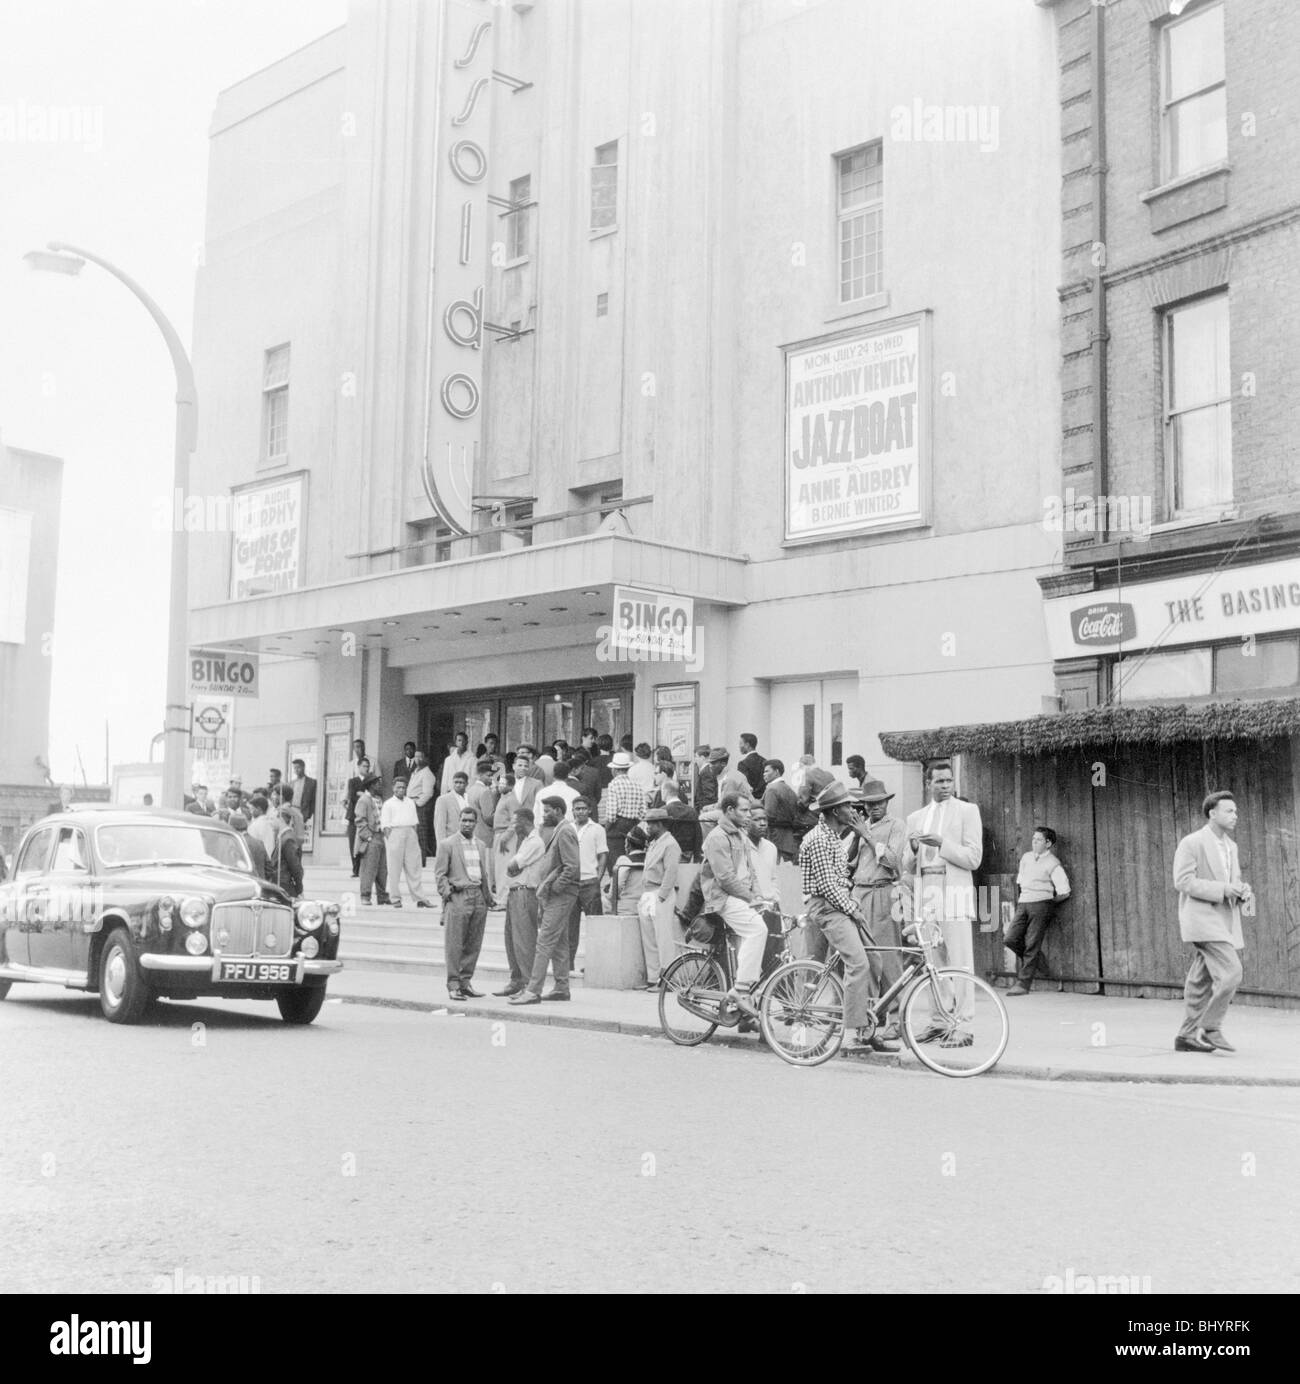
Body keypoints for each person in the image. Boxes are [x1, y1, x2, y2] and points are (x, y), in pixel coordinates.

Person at [801, 781, 891, 1051]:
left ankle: (867, 1026)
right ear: (834, 811)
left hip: (842, 904)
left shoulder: (834, 837)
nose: (853, 809)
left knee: (874, 960)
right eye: (847, 806)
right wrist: (852, 908)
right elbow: (828, 886)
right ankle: (854, 1032)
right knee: (858, 964)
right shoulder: (818, 839)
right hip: (828, 908)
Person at [904, 761, 983, 1042]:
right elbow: (907, 863)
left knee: (960, 960)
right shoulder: (916, 817)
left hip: (954, 891)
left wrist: (942, 844)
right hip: (927, 891)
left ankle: (964, 1025)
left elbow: (974, 858)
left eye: (949, 781)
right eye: (939, 781)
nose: (946, 786)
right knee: (932, 960)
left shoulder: (967, 811)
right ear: (928, 783)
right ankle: (938, 1020)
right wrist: (914, 848)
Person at [1172, 790, 1252, 1053]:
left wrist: (1241, 890)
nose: (1235, 816)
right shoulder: (1192, 843)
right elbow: (1182, 881)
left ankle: (1185, 1036)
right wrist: (1222, 889)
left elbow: (1233, 881)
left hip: (1223, 919)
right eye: (1229, 811)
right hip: (1202, 920)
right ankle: (1211, 1027)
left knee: (1200, 981)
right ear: (1212, 813)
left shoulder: (1232, 846)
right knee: (1232, 972)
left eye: (1236, 811)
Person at [700, 793, 771, 1018]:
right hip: (723, 897)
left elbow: (750, 873)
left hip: (739, 896)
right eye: (744, 810)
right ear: (729, 810)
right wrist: (750, 898)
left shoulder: (740, 835)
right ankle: (739, 991)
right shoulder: (717, 838)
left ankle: (743, 1004)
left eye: (749, 810)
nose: (749, 815)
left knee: (752, 946)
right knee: (757, 930)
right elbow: (725, 878)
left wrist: (760, 897)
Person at [848, 778, 908, 1042]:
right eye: (869, 803)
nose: (874, 808)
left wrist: (867, 836)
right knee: (865, 960)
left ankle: (896, 1020)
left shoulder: (895, 826)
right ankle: (872, 1016)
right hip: (859, 893)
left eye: (879, 802)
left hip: (884, 892)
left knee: (889, 959)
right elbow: (851, 863)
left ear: (887, 802)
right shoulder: (862, 828)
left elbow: (893, 861)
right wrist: (856, 835)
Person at [509, 795, 580, 1005]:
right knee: (559, 942)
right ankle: (561, 987)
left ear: (558, 811)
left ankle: (533, 990)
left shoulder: (565, 831)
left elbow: (571, 866)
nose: (544, 814)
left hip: (561, 894)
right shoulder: (561, 830)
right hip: (559, 893)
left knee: (544, 942)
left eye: (548, 810)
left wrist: (555, 888)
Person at [1005, 826, 1071, 996]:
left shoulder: (1053, 863)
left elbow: (1065, 891)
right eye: (1033, 839)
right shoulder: (1026, 858)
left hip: (1042, 905)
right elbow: (1020, 881)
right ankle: (1038, 962)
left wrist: (1047, 901)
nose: (1034, 842)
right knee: (1010, 938)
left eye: (1039, 840)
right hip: (1024, 903)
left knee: (1032, 944)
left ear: (1048, 843)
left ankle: (1023, 984)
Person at [435, 806, 492, 1000]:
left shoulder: (481, 845)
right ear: (459, 821)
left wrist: (487, 898)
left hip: (478, 897)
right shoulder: (447, 844)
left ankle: (465, 982)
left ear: (476, 823)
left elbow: (484, 874)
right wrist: (448, 894)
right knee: (454, 943)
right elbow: (440, 874)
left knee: (473, 943)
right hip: (459, 896)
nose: (467, 824)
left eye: (471, 821)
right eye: (464, 820)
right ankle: (453, 985)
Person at [496, 806, 545, 997]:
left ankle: (527, 983)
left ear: (525, 821)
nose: (513, 826)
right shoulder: (524, 841)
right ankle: (515, 980)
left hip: (526, 892)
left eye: (515, 822)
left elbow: (512, 865)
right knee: (511, 940)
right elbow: (511, 868)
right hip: (514, 892)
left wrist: (512, 867)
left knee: (524, 940)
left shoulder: (534, 841)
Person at [637, 808, 681, 991]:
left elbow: (671, 872)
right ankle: (654, 977)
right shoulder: (655, 843)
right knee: (650, 939)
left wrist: (662, 895)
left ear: (660, 824)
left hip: (660, 893)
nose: (648, 827)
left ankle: (667, 979)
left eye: (651, 824)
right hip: (649, 892)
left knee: (663, 938)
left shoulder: (670, 844)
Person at [382, 779, 433, 909]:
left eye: (403, 787)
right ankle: (395, 898)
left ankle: (420, 898)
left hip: (410, 832)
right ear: (393, 788)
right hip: (395, 833)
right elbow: (386, 826)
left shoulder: (410, 802)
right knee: (394, 868)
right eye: (398, 787)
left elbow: (415, 823)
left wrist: (412, 836)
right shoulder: (388, 804)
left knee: (414, 867)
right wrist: (392, 839)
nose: (401, 790)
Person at [570, 797, 607, 966]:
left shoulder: (597, 829)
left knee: (595, 926)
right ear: (572, 810)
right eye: (577, 809)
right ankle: (568, 964)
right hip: (570, 884)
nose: (580, 811)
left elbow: (603, 855)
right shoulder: (567, 828)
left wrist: (597, 878)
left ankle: (594, 964)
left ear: (590, 810)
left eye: (584, 808)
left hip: (589, 882)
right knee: (570, 927)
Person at [353, 773, 390, 905]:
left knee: (382, 868)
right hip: (371, 836)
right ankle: (365, 895)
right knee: (368, 868)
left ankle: (382, 896)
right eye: (377, 783)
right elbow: (359, 820)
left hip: (381, 836)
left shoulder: (379, 799)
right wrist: (368, 836)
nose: (380, 785)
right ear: (371, 785)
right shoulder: (364, 800)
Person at [761, 759, 801, 862]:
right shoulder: (790, 789)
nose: (763, 774)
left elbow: (768, 815)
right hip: (789, 839)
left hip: (775, 838)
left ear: (777, 771)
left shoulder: (771, 789)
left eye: (767, 771)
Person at [345, 756, 373, 877]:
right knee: (353, 843)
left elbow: (374, 795)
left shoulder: (372, 780)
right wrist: (365, 795)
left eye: (368, 766)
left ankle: (364, 868)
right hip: (353, 816)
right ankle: (355, 869)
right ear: (358, 767)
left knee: (366, 841)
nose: (366, 768)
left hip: (367, 816)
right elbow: (352, 796)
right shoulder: (353, 781)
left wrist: (362, 794)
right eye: (364, 766)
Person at [407, 751, 437, 862]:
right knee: (412, 832)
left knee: (420, 833)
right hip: (411, 804)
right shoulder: (415, 771)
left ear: (425, 759)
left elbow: (428, 793)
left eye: (420, 757)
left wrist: (417, 804)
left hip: (419, 805)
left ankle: (421, 859)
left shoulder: (427, 773)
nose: (417, 759)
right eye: (415, 757)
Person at [271, 806, 304, 897]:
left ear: (280, 819)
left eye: (272, 819)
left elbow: (296, 867)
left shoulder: (288, 839)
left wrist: (299, 889)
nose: (270, 822)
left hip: (284, 887)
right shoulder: (283, 837)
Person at [228, 811, 269, 881]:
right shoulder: (259, 843)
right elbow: (269, 869)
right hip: (260, 885)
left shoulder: (235, 844)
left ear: (232, 827)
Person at [434, 771, 470, 844]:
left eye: (461, 783)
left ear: (467, 784)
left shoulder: (469, 798)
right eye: (456, 782)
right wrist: (442, 846)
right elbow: (440, 825)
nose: (458, 785)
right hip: (451, 841)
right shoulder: (443, 800)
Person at [247, 794, 279, 862]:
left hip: (259, 860)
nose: (250, 812)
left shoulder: (255, 825)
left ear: (259, 809)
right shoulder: (270, 823)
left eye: (252, 809)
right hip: (269, 859)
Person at [288, 758, 316, 834]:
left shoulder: (311, 782)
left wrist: (309, 814)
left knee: (302, 836)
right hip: (293, 811)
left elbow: (313, 800)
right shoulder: (291, 783)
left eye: (298, 767)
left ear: (303, 767)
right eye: (295, 768)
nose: (296, 770)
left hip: (304, 812)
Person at [737, 734, 766, 800]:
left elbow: (743, 786)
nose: (739, 746)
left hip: (749, 801)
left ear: (747, 745)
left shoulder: (743, 764)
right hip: (763, 800)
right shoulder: (765, 761)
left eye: (740, 743)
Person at [691, 744, 715, 809]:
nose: (695, 760)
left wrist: (702, 809)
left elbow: (709, 796)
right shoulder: (707, 770)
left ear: (702, 758)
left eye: (696, 757)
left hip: (704, 810)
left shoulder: (706, 772)